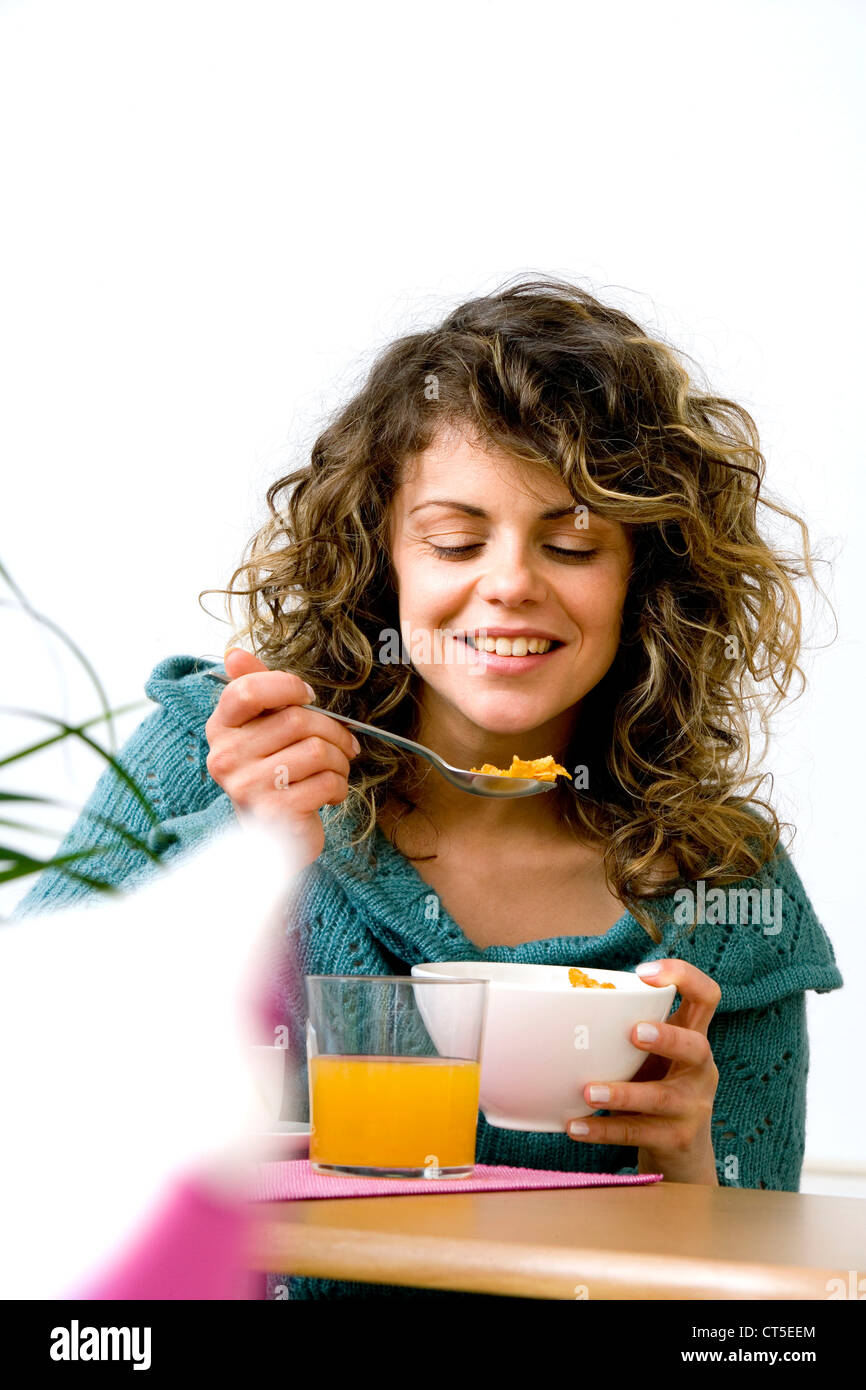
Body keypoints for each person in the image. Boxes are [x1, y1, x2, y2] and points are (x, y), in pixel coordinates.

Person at [13, 274, 844, 1301]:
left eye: (572, 543)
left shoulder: (722, 885)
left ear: (643, 580)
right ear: (383, 561)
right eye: (454, 540)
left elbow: (754, 1319)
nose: (507, 582)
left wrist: (689, 1169)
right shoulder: (221, 752)